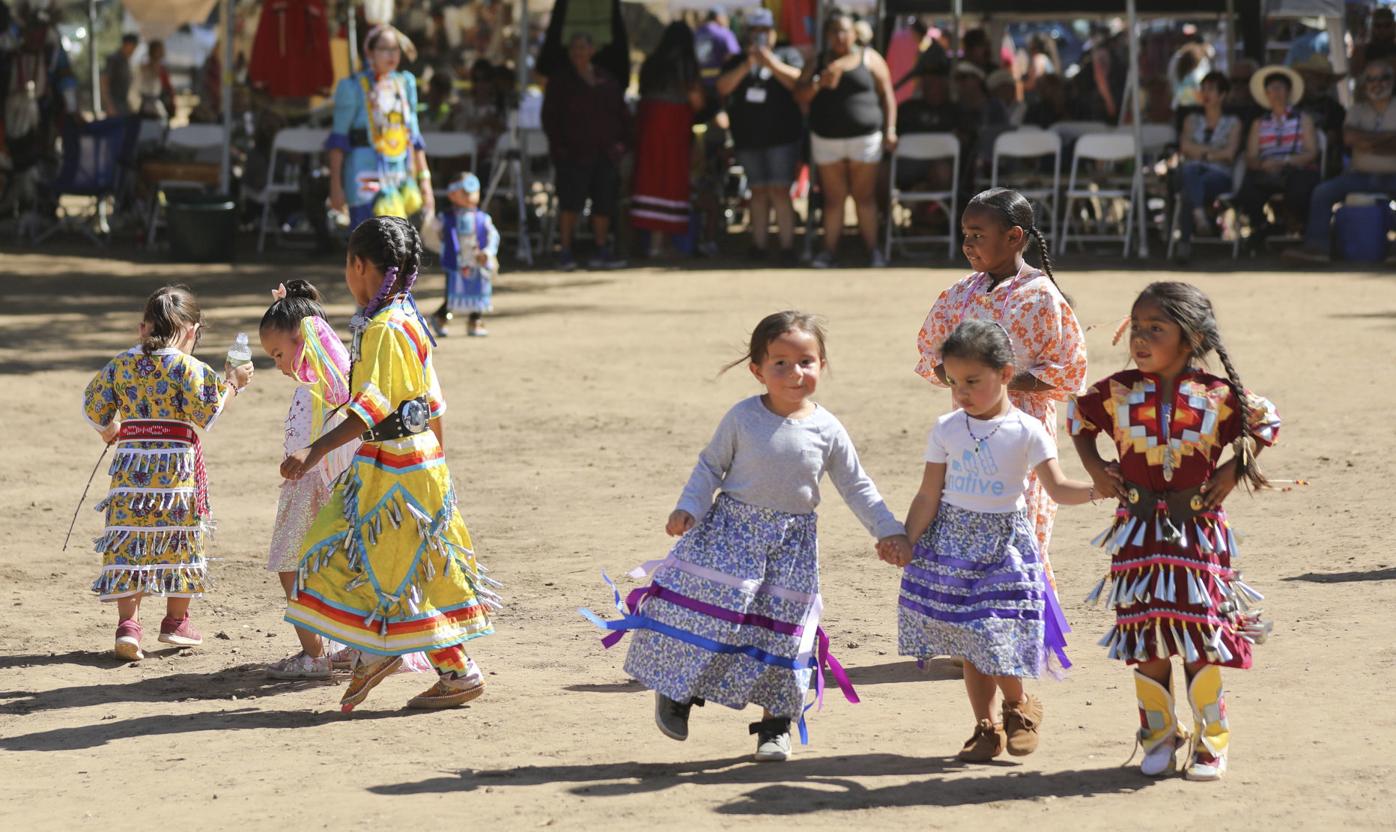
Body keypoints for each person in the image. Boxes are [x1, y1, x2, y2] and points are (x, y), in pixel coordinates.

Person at [583, 311, 912, 762]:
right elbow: (710, 467)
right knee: (710, 616)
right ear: (758, 369)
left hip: (792, 548)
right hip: (729, 537)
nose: (794, 373)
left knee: (783, 634)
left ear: (822, 365)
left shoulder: (828, 429)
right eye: (780, 363)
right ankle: (677, 692)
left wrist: (889, 531)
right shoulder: (742, 418)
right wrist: (689, 507)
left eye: (806, 362)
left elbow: (857, 486)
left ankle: (776, 726)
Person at [282, 216, 499, 711]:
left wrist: (314, 449)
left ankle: (382, 650)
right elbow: (433, 401)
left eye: (347, 265)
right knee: (399, 566)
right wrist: (439, 461)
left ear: (360, 265)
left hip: (394, 464)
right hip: (412, 458)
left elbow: (373, 406)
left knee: (337, 550)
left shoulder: (383, 328)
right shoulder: (410, 319)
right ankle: (431, 664)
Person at [1069, 281, 1281, 781]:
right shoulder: (1117, 391)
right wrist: (1097, 467)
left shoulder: (1217, 395)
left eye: (1155, 329)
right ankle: (1159, 735)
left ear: (1190, 339)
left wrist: (1234, 470)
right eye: (1136, 327)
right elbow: (1079, 419)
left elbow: (1266, 422)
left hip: (1199, 533)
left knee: (1202, 635)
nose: (1140, 338)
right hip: (1137, 534)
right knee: (1146, 635)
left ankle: (1211, 742)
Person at [889, 319, 1094, 762]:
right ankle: (986, 727)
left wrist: (1102, 488)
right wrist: (907, 539)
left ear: (1005, 374)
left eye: (972, 381)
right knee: (969, 643)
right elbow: (928, 493)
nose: (961, 391)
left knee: (992, 631)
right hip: (953, 545)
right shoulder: (945, 428)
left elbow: (1057, 489)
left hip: (1005, 547)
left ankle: (1019, 707)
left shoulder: (1027, 430)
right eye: (953, 381)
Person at [915, 189, 1087, 588]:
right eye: (965, 234)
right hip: (967, 431)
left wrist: (1004, 382)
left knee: (1019, 527)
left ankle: (1025, 632)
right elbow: (929, 352)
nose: (968, 244)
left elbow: (1069, 368)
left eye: (978, 234)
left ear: (1013, 237)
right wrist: (962, 382)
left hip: (1022, 432)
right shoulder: (959, 293)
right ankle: (971, 636)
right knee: (969, 526)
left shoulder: (1042, 296)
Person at [83, 285, 255, 661]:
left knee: (129, 540)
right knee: (180, 539)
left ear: (145, 327)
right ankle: (176, 622)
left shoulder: (122, 363)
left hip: (131, 470)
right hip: (176, 471)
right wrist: (233, 384)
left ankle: (128, 625)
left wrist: (108, 429)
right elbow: (209, 412)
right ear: (192, 330)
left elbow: (94, 406)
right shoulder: (188, 367)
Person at [257, 280, 358, 680]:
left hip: (322, 485)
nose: (279, 366)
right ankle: (341, 648)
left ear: (305, 338)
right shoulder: (321, 379)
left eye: (280, 353)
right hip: (310, 485)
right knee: (311, 564)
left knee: (294, 563)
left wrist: (308, 457)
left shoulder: (334, 376)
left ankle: (319, 653)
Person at [796, 10, 897, 268]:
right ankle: (828, 252)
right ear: (827, 35)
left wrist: (890, 129)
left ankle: (873, 251)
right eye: (834, 31)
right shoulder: (817, 62)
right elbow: (800, 96)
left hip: (865, 140)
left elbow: (887, 96)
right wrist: (819, 83)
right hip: (827, 140)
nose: (840, 37)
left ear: (854, 33)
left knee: (864, 198)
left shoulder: (871, 58)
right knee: (833, 200)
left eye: (844, 30)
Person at [326, 25, 436, 230]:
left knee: (399, 244)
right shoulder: (352, 87)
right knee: (368, 244)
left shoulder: (404, 85)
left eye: (395, 49)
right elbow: (338, 139)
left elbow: (414, 137)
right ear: (369, 51)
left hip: (399, 173)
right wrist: (336, 186)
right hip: (363, 173)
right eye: (384, 49)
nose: (391, 54)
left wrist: (425, 183)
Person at [716, 7, 804, 260]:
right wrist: (748, 64)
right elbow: (722, 87)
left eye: (765, 30)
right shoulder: (737, 60)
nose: (760, 36)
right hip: (748, 139)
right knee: (757, 191)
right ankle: (759, 246)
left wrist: (771, 63)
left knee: (779, 190)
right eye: (755, 31)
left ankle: (787, 247)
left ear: (774, 32)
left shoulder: (787, 55)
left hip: (782, 139)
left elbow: (798, 83)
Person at [541, 32, 631, 271]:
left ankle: (602, 249)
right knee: (570, 203)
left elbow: (622, 116)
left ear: (592, 50)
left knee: (604, 202)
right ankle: (566, 250)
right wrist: (560, 149)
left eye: (582, 47)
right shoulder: (561, 81)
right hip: (572, 154)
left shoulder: (606, 80)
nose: (578, 53)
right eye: (574, 49)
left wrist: (619, 147)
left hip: (605, 153)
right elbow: (550, 118)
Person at [1292, 62, 1396, 262]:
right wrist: (1388, 139)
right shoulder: (1356, 110)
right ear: (1364, 84)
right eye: (1371, 79)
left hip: (1392, 175)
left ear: (1392, 81)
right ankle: (1317, 248)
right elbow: (1349, 139)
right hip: (1359, 175)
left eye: (1383, 78)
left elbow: (1358, 139)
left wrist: (1367, 141)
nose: (1377, 83)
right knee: (1323, 191)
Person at [631, 22, 703, 257]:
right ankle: (661, 242)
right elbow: (696, 99)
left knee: (650, 178)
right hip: (673, 126)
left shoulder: (652, 62)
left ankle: (651, 241)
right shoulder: (685, 62)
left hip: (649, 124)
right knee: (670, 181)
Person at [1235, 66, 1319, 252]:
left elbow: (1312, 152)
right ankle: (1263, 227)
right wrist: (1263, 165)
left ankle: (1296, 226)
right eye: (1271, 89)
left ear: (1289, 91)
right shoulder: (1259, 123)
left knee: (1300, 189)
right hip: (1266, 171)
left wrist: (1285, 162)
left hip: (1296, 169)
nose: (1276, 93)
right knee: (1247, 192)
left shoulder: (1302, 119)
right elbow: (1251, 155)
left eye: (1280, 88)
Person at [1173, 71, 1243, 263]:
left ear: (1222, 95)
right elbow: (1184, 147)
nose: (1205, 93)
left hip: (1218, 175)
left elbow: (1229, 154)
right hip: (1193, 171)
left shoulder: (1233, 123)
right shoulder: (1191, 119)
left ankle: (1184, 243)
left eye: (1211, 89)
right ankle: (1199, 214)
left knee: (1190, 185)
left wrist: (1201, 153)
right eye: (1203, 89)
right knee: (1190, 173)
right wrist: (1213, 153)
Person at [425, 172, 500, 337]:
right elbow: (430, 231)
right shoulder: (446, 218)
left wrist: (487, 253)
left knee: (479, 292)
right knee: (452, 294)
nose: (472, 196)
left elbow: (492, 236)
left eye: (475, 191)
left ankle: (475, 321)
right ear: (452, 195)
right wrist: (428, 215)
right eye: (466, 193)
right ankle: (440, 317)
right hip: (456, 262)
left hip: (477, 262)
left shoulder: (483, 219)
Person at [136, 39, 175, 120]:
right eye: (159, 50)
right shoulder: (145, 69)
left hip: (161, 105)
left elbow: (168, 88)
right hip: (148, 106)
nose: (161, 53)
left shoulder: (163, 69)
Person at [1353, 7, 1396, 78]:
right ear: (1372, 27)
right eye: (1378, 26)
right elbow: (1355, 72)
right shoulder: (1363, 49)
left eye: (1387, 25)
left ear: (1393, 26)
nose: (1382, 29)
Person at [101, 33, 137, 117]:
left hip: (123, 104)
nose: (133, 50)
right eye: (133, 47)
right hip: (114, 105)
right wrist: (109, 105)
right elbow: (104, 82)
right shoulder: (114, 59)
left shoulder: (126, 61)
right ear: (127, 44)